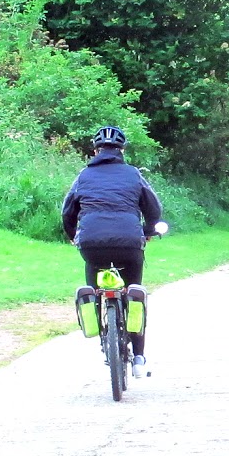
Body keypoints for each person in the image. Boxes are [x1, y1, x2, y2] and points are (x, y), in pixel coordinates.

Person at [62, 125, 165, 378]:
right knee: (134, 292)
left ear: (95, 151)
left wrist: (73, 235)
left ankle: (97, 312)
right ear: (122, 151)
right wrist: (148, 231)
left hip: (91, 245)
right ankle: (138, 358)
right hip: (129, 243)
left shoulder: (84, 176)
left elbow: (68, 211)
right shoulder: (133, 174)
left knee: (94, 274)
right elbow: (153, 208)